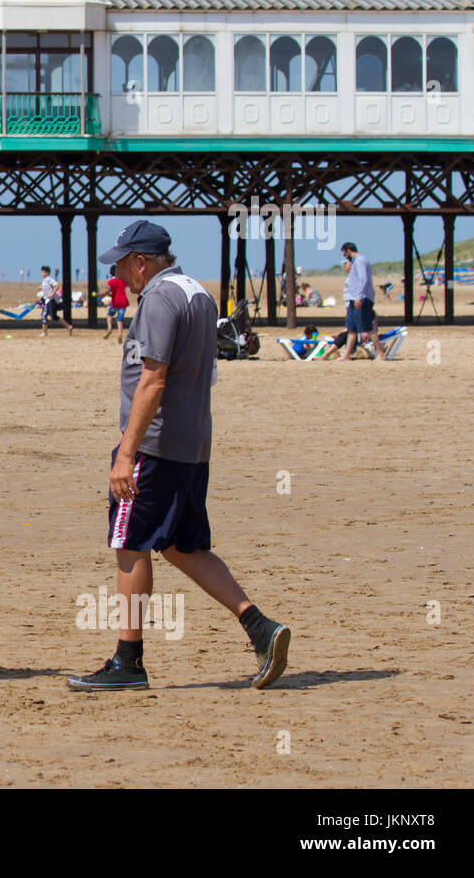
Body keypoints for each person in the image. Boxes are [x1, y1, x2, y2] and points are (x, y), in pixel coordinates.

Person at [68, 219, 290, 692]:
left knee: (129, 543)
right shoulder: (199, 295)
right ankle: (260, 628)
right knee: (182, 545)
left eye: (124, 265)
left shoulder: (158, 298)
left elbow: (153, 379)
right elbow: (206, 376)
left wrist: (126, 453)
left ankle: (128, 662)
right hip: (193, 444)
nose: (120, 276)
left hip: (154, 444)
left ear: (142, 262)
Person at [338, 242, 385, 361]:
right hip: (353, 299)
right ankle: (346, 355)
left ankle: (380, 354)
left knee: (367, 327)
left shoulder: (360, 261)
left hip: (361, 299)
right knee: (351, 328)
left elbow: (363, 279)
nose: (345, 256)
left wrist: (359, 297)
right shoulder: (355, 262)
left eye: (344, 253)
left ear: (348, 250)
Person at [38, 265, 72, 337]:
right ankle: (68, 326)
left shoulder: (49, 279)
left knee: (44, 315)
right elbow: (46, 291)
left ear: (47, 273)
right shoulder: (44, 281)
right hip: (48, 300)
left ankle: (44, 333)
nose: (41, 274)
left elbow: (57, 286)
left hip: (50, 300)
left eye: (43, 272)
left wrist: (52, 294)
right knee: (54, 316)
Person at [104, 263, 129, 343]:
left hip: (114, 302)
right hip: (123, 301)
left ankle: (109, 328)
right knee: (120, 319)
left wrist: (100, 294)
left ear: (111, 272)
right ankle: (119, 333)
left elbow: (108, 291)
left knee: (109, 315)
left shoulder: (111, 281)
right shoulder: (122, 280)